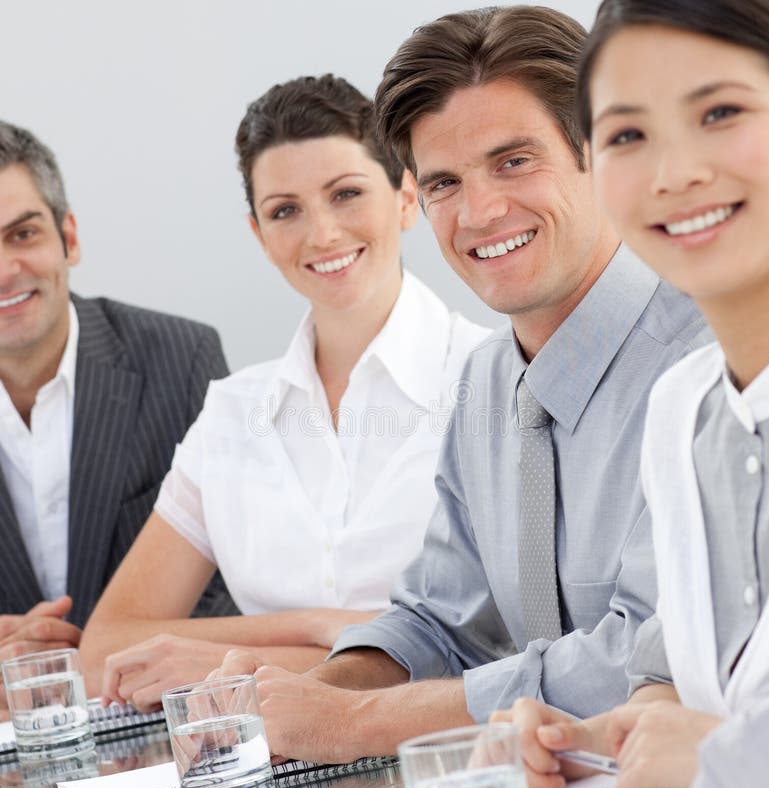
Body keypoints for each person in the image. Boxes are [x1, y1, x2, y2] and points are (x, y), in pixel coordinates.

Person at [209, 5, 710, 766]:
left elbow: (645, 660)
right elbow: (439, 619)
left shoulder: (706, 357)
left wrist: (352, 724)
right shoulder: (483, 382)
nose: (479, 212)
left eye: (513, 161)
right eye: (444, 182)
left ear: (600, 153)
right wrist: (308, 692)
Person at [79, 75, 490, 706]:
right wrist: (319, 628)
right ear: (259, 236)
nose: (321, 233)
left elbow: (507, 645)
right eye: (285, 210)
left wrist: (240, 660)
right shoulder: (233, 414)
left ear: (407, 197)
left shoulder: (490, 378)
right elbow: (106, 646)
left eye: (346, 194)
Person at [499, 1, 769, 788]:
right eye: (629, 135)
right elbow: (680, 690)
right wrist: (595, 738)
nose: (675, 172)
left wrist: (717, 757)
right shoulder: (682, 410)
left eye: (721, 112)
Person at [0, 121, 234, 708]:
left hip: (161, 725)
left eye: (22, 234)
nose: (5, 270)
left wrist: (88, 666)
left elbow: (238, 574)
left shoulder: (182, 360)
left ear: (68, 237)